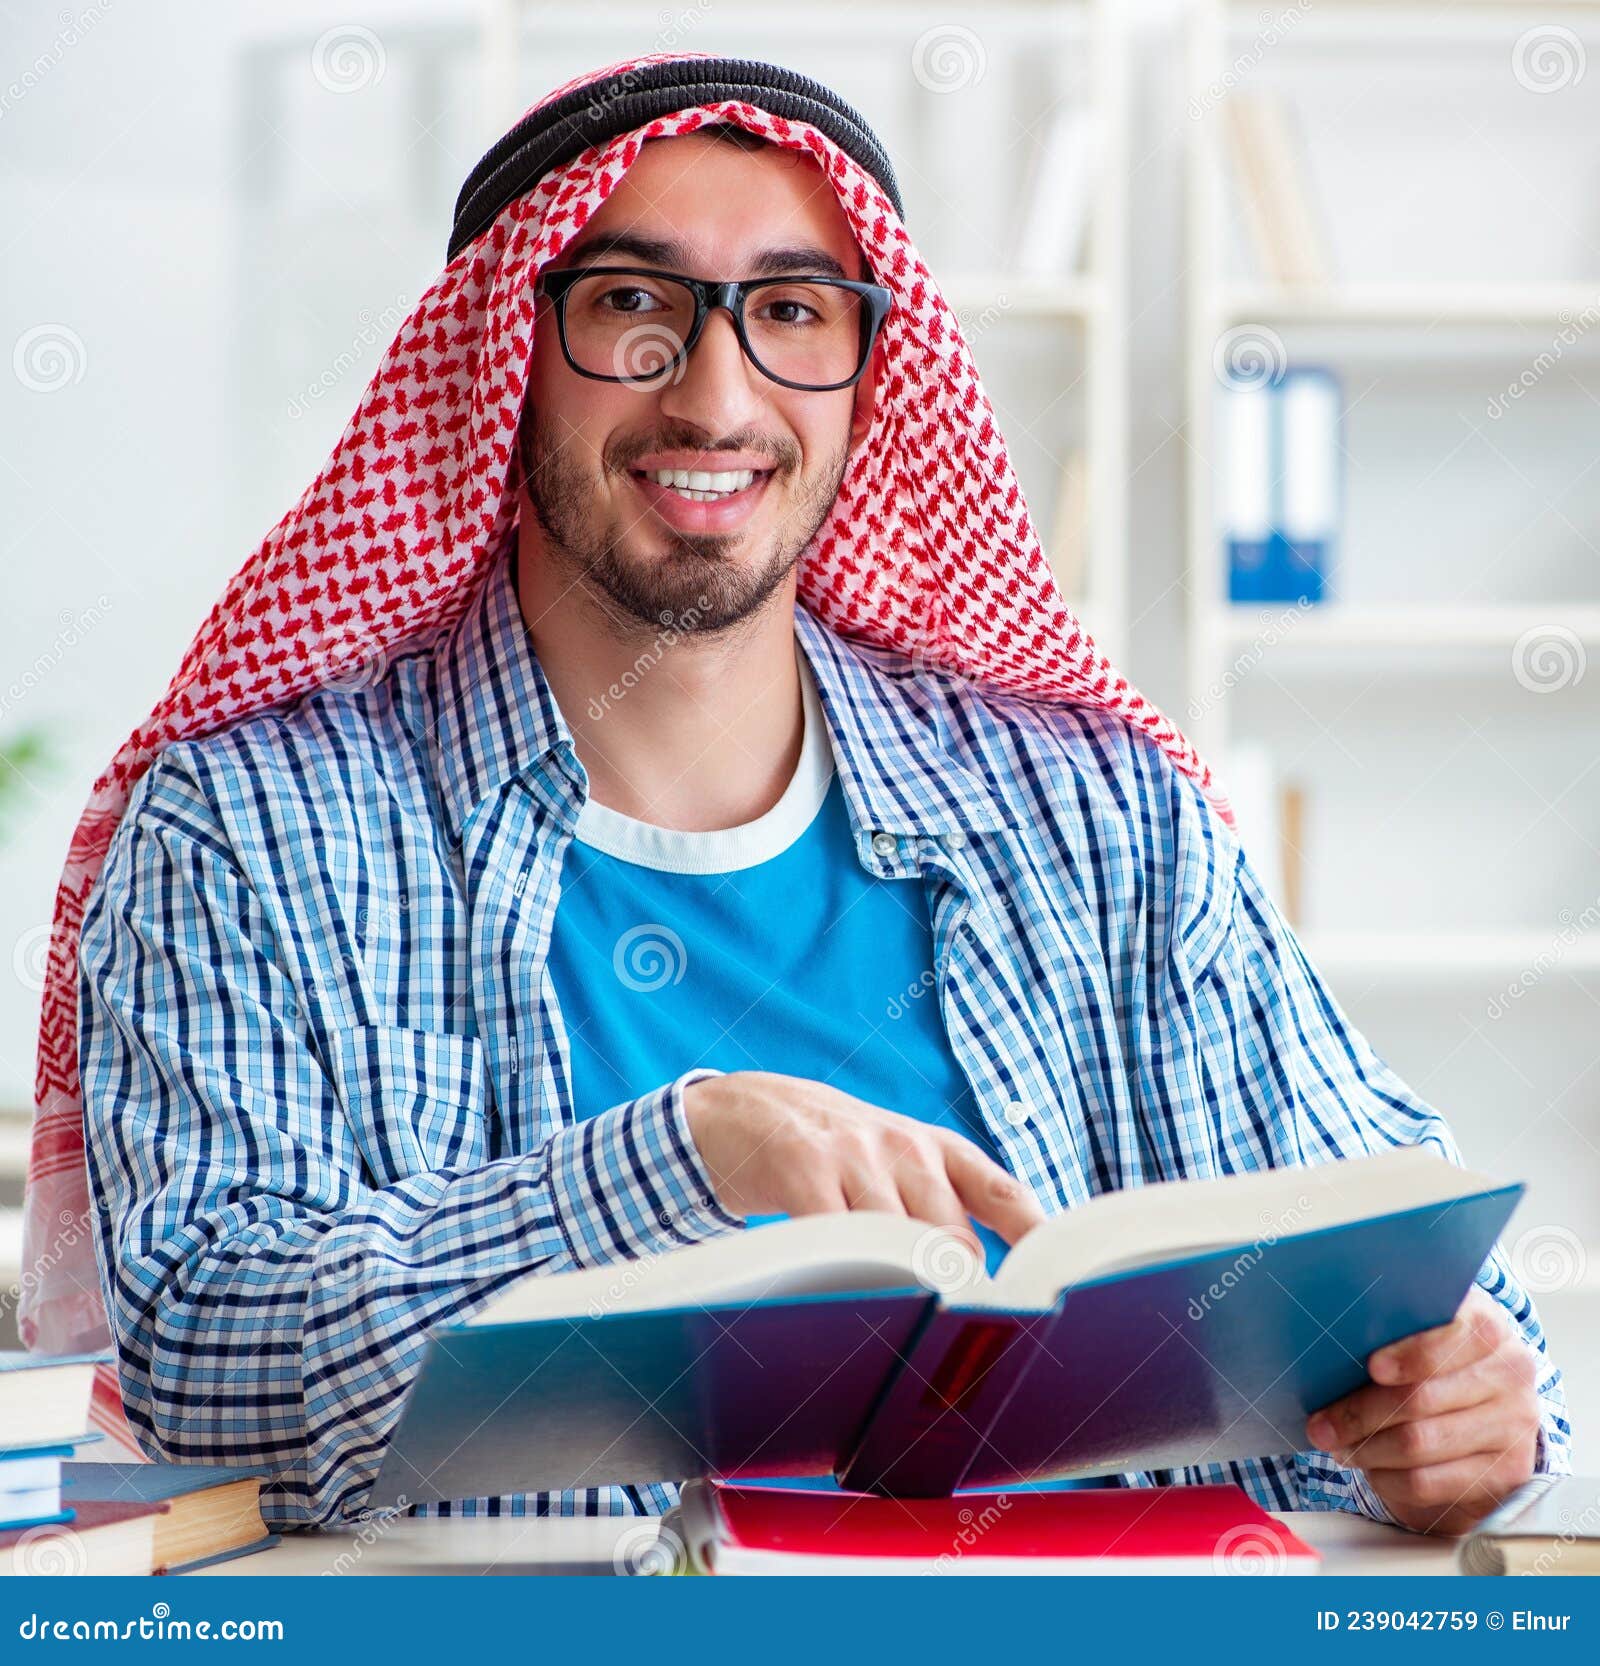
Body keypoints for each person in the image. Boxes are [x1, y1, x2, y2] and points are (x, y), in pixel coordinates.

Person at [29, 56, 1566, 1535]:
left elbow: (1415, 1283)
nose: (716, 394)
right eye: (633, 304)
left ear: (863, 375)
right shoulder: (246, 833)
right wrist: (677, 1160)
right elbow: (204, 1383)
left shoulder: (1102, 825)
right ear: (501, 353)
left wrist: (1464, 1413)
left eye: (790, 312)